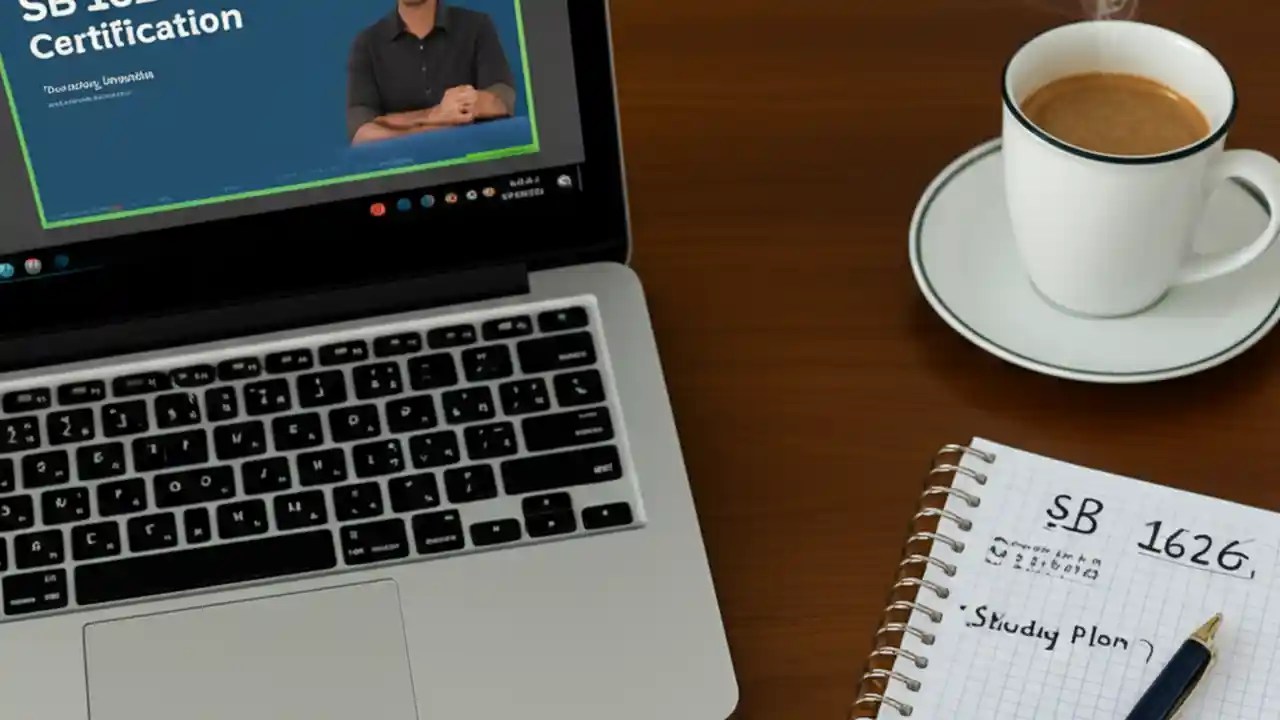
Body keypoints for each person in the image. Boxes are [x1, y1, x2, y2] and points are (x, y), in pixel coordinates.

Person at [347, 0, 517, 145]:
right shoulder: (367, 44)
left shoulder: (476, 26)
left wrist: (470, 103)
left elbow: (503, 99)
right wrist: (435, 116)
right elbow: (361, 132)